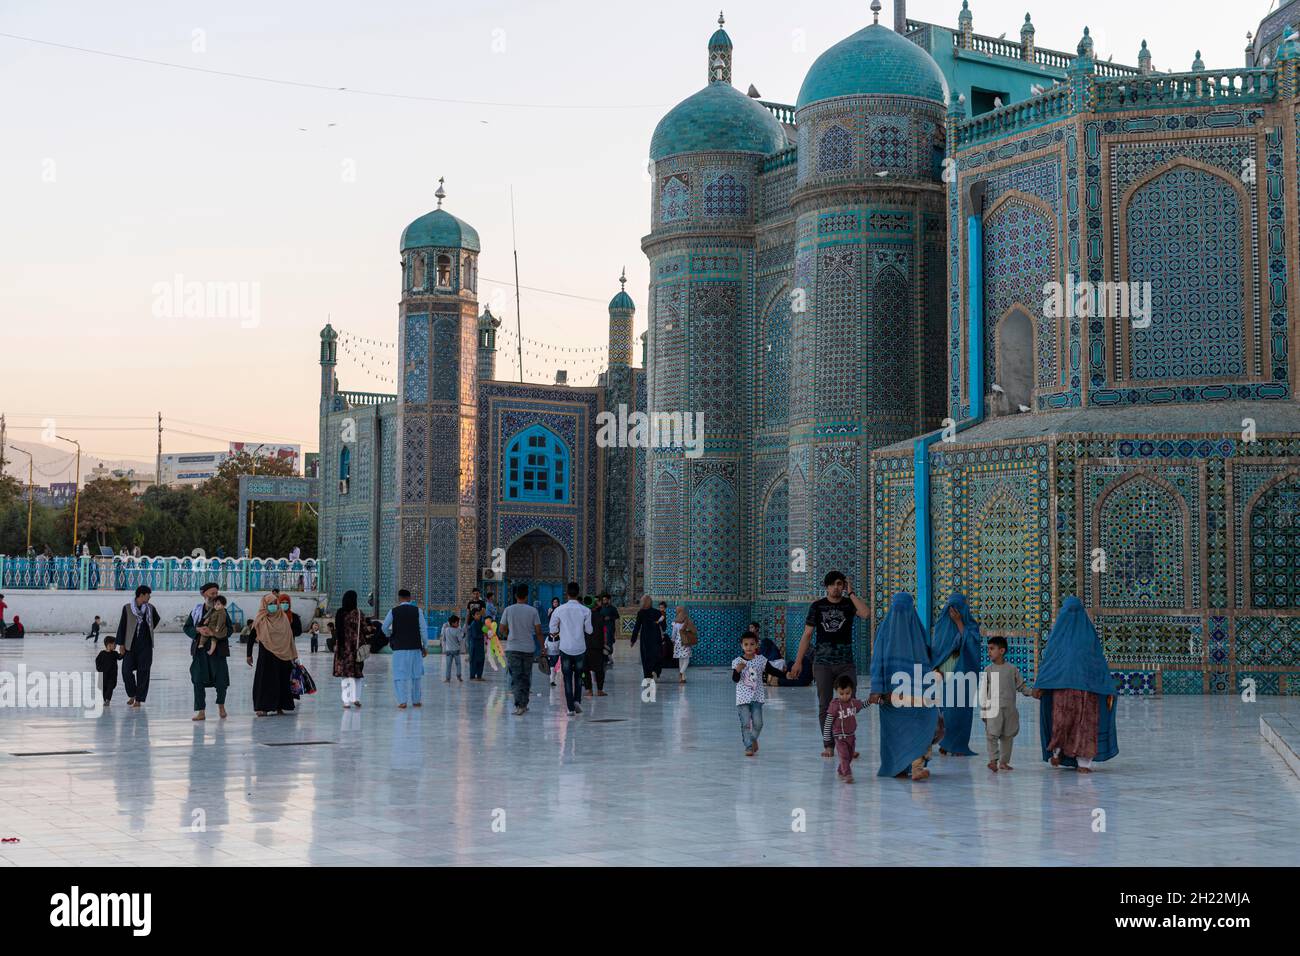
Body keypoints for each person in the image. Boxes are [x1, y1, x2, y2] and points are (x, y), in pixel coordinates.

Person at [1032, 597, 1118, 773]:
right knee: (1083, 725)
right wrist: (1106, 686)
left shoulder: (1059, 635)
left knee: (1063, 722)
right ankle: (1081, 763)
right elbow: (1097, 662)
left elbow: (1050, 661)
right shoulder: (1087, 634)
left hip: (1067, 690)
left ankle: (1058, 752)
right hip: (1085, 690)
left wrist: (1041, 683)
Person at [787, 571, 871, 748]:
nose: (836, 587)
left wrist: (852, 593)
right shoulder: (817, 606)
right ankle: (829, 744)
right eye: (832, 584)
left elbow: (866, 614)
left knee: (849, 703)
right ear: (826, 587)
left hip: (845, 663)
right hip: (823, 664)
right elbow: (807, 635)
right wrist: (798, 661)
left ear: (844, 586)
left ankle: (845, 741)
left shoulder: (849, 604)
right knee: (825, 705)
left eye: (839, 584)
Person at [868, 592, 941, 780]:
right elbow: (877, 661)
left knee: (918, 724)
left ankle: (914, 766)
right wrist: (876, 689)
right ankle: (901, 767)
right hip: (894, 693)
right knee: (901, 729)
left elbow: (927, 660)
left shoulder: (899, 629)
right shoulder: (911, 629)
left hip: (909, 691)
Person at [929, 593, 982, 757]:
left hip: (963, 673)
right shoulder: (941, 626)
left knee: (960, 711)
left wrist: (959, 622)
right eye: (952, 609)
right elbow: (936, 651)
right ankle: (944, 744)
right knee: (945, 711)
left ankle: (957, 744)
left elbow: (972, 644)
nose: (954, 612)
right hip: (944, 675)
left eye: (958, 609)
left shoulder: (970, 626)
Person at [981, 636, 1032, 772]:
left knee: (1007, 736)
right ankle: (993, 760)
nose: (989, 652)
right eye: (988, 649)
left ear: (1002, 650)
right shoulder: (988, 670)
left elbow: (1021, 686)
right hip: (993, 709)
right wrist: (983, 711)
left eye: (992, 649)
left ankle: (1004, 762)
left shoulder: (1012, 669)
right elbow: (983, 693)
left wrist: (1033, 693)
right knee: (991, 735)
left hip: (1009, 709)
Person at [731, 631, 785, 757]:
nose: (749, 647)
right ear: (742, 646)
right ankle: (748, 747)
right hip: (742, 699)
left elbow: (773, 671)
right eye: (746, 644)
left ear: (756, 645)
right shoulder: (737, 661)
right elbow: (735, 679)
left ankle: (753, 739)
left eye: (752, 644)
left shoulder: (761, 660)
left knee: (758, 723)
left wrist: (785, 675)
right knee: (745, 724)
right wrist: (737, 671)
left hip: (757, 697)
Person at [247, 592, 298, 716]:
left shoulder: (283, 618)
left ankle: (279, 706)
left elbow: (290, 638)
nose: (273, 606)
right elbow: (252, 637)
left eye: (275, 603)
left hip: (284, 657)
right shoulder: (260, 619)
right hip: (267, 657)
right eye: (270, 604)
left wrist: (293, 655)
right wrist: (249, 654)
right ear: (265, 605)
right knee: (265, 681)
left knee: (282, 681)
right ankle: (262, 707)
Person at [549, 581, 593, 717]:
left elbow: (552, 628)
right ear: (578, 593)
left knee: (567, 677)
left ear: (567, 594)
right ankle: (577, 700)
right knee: (579, 676)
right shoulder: (585, 610)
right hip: (580, 648)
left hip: (565, 648)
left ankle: (570, 708)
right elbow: (589, 631)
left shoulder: (559, 610)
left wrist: (561, 630)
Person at [500, 582, 544, 715]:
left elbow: (501, 628)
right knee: (526, 677)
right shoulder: (533, 611)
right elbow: (538, 632)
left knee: (516, 677)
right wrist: (543, 647)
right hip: (528, 649)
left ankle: (519, 705)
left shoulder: (509, 609)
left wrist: (509, 635)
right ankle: (524, 704)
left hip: (513, 648)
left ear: (515, 595)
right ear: (526, 596)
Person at [382, 589, 428, 709]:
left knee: (400, 675)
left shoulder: (393, 611)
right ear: (409, 598)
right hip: (415, 647)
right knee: (416, 675)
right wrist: (425, 646)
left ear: (399, 598)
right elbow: (423, 630)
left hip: (399, 648)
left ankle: (402, 701)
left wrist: (390, 635)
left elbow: (384, 627)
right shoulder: (418, 611)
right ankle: (416, 700)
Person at [116, 585, 160, 708]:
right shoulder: (127, 608)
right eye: (148, 595)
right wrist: (121, 644)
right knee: (126, 671)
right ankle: (132, 694)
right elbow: (122, 626)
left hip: (145, 646)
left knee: (143, 672)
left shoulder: (151, 608)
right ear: (141, 595)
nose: (150, 597)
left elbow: (155, 620)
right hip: (130, 645)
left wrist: (147, 631)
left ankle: (139, 699)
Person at [190, 593, 231, 721]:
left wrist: (217, 633)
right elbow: (187, 627)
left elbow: (229, 629)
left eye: (215, 594)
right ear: (204, 595)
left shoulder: (223, 612)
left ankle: (221, 707)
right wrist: (198, 630)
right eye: (210, 594)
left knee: (221, 681)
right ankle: (201, 711)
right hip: (200, 653)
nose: (213, 597)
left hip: (218, 653)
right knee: (198, 680)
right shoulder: (196, 611)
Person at [823, 675, 867, 783]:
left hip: (851, 736)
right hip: (840, 737)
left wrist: (872, 700)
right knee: (844, 756)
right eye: (841, 694)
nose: (844, 696)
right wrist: (827, 739)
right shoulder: (834, 705)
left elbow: (862, 705)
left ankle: (840, 770)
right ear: (836, 692)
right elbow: (828, 722)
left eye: (847, 693)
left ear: (852, 691)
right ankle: (847, 774)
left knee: (850, 756)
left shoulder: (853, 703)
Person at [333, 590, 365, 709]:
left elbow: (337, 630)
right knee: (357, 673)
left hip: (343, 648)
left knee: (345, 675)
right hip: (357, 648)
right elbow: (364, 629)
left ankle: (346, 701)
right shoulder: (359, 613)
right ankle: (356, 698)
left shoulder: (340, 613)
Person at [629, 595, 663, 682]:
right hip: (656, 637)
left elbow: (637, 627)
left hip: (646, 638)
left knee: (646, 657)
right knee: (657, 655)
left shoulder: (641, 613)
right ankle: (655, 671)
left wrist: (633, 640)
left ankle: (648, 676)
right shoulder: (657, 612)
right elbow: (664, 627)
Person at [583, 598, 610, 697]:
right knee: (599, 669)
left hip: (585, 646)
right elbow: (604, 632)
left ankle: (589, 690)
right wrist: (605, 644)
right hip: (598, 646)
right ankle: (599, 690)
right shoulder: (601, 616)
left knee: (585, 669)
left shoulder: (583, 616)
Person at [670, 606, 698, 683]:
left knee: (681, 659)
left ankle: (682, 678)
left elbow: (673, 634)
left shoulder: (675, 622)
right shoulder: (687, 620)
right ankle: (681, 672)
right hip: (685, 641)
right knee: (687, 659)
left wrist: (672, 640)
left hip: (678, 642)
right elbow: (694, 630)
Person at [595, 594, 620, 668]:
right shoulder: (601, 608)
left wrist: (610, 617)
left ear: (609, 600)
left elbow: (617, 617)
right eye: (603, 600)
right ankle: (605, 658)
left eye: (605, 600)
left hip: (610, 628)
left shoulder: (613, 608)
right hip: (602, 628)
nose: (604, 601)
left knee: (609, 642)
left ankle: (609, 657)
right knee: (602, 642)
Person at [95, 636, 121, 706]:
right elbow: (97, 661)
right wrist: (99, 669)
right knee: (103, 689)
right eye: (114, 644)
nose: (116, 646)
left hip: (112, 676)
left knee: (110, 688)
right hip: (103, 676)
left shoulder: (115, 653)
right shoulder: (102, 653)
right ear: (109, 645)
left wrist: (123, 652)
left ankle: (107, 700)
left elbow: (120, 657)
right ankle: (105, 700)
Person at [440, 614, 465, 682]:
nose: (458, 624)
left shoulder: (446, 630)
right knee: (458, 664)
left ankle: (447, 678)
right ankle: (459, 676)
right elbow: (460, 640)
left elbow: (444, 639)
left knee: (448, 665)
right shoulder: (457, 630)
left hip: (448, 650)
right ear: (453, 623)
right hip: (456, 650)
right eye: (457, 622)